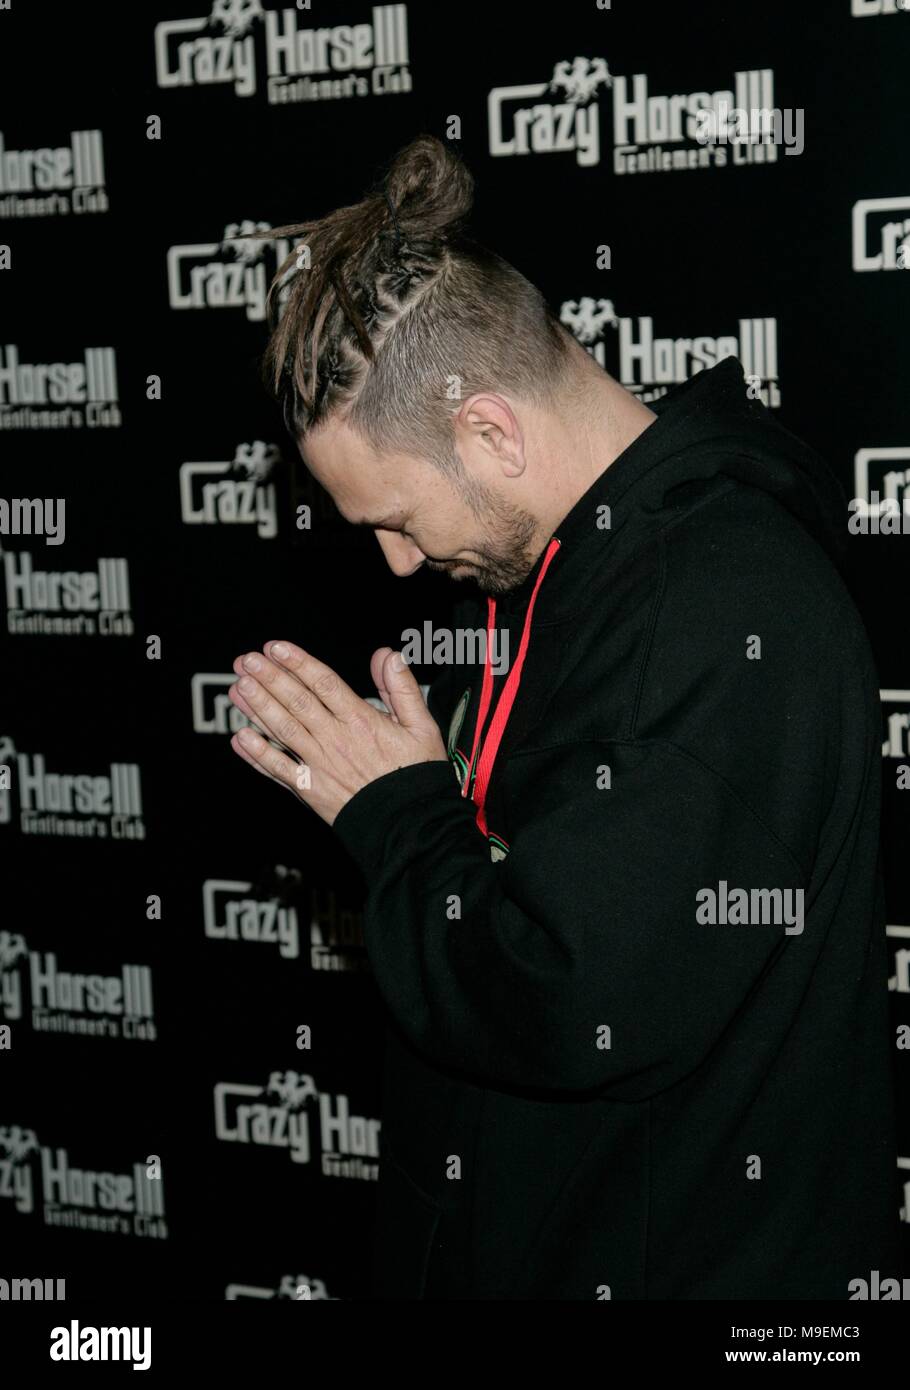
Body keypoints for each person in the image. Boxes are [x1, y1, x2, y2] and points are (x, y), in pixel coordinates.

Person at [227, 134, 902, 1299]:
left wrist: (399, 819)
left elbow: (569, 994)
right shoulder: (576, 579)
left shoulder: (717, 609)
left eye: (394, 514)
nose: (393, 562)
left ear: (490, 432)